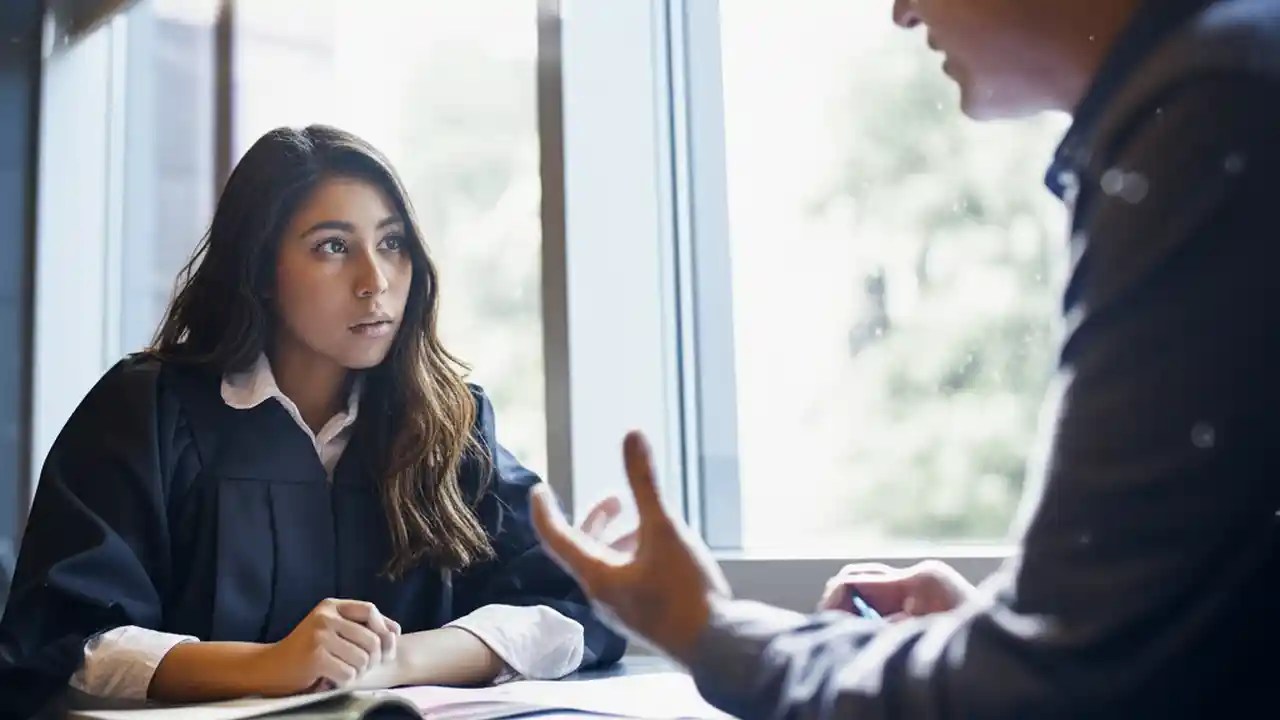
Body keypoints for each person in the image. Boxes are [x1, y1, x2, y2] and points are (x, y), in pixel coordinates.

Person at [530, 0, 1280, 717]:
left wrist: (707, 630)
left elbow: (1051, 692)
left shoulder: (1216, 113)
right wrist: (998, 627)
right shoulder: (1223, 83)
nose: (902, 12)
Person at [0, 125, 625, 718]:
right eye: (333, 247)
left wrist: (396, 659)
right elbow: (66, 644)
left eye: (391, 242)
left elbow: (564, 610)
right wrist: (269, 667)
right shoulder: (147, 413)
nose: (374, 281)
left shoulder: (447, 424)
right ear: (262, 269)